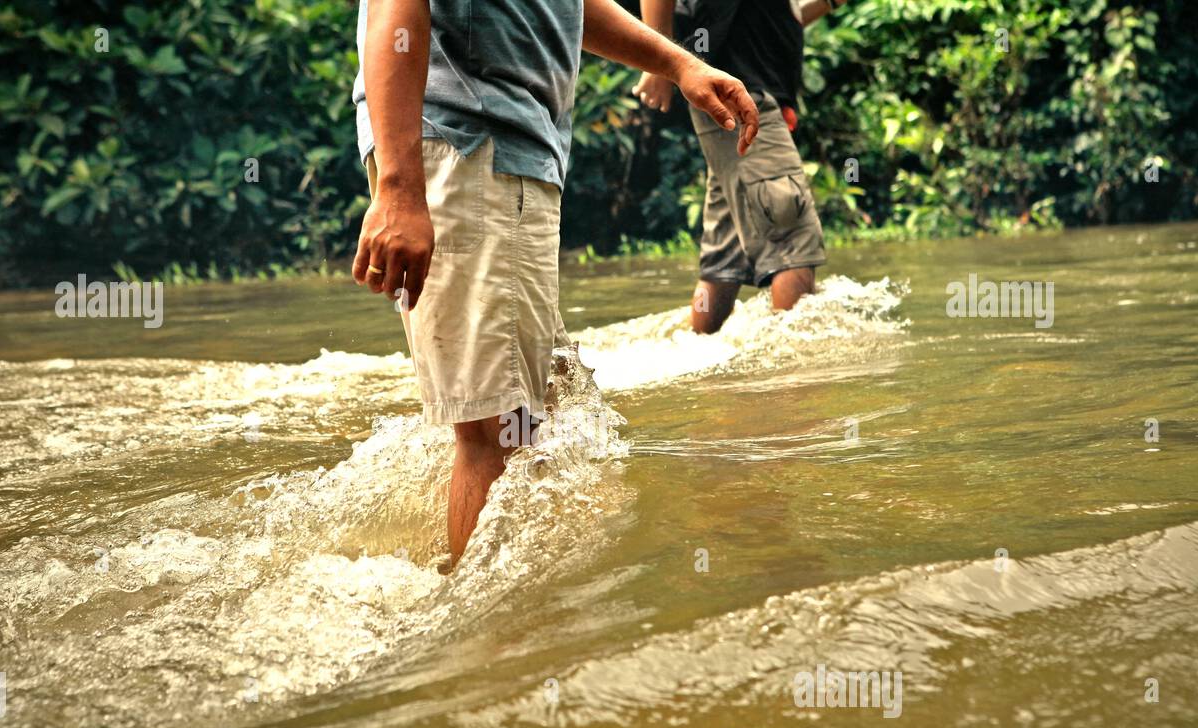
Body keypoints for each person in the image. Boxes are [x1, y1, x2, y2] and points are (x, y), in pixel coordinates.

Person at [351, 0, 760, 563]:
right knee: (502, 432)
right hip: (471, 149)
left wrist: (679, 64)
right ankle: (492, 642)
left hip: (499, 158)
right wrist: (399, 187)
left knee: (552, 408)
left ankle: (526, 612)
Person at [634, 0, 846, 333]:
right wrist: (657, 62)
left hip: (747, 99)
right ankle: (797, 381)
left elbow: (785, 16)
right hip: (743, 99)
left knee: (724, 264)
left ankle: (699, 359)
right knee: (792, 240)